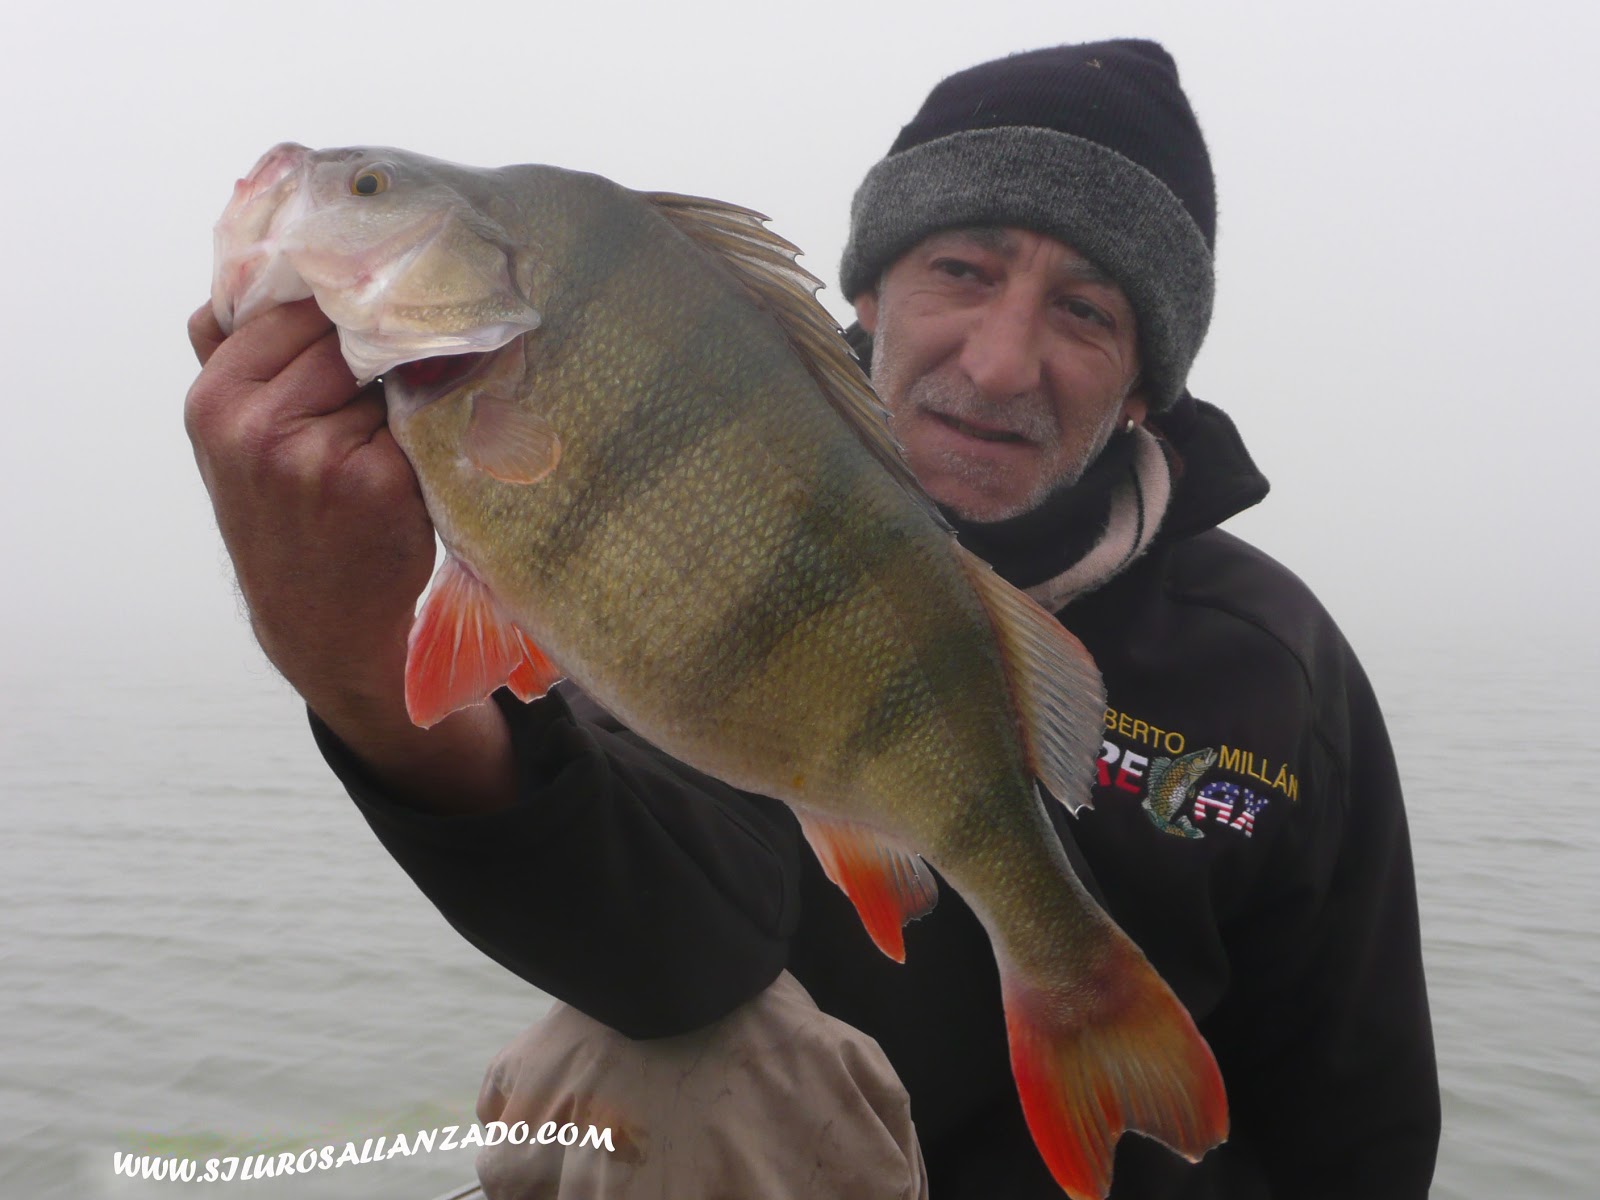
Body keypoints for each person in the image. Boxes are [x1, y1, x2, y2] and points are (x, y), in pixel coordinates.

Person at [185, 39, 1439, 1199]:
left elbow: (1358, 1111)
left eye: (1087, 312)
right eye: (962, 268)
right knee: (633, 1079)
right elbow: (664, 958)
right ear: (868, 301)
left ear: (1143, 393)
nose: (1000, 361)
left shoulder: (1275, 662)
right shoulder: (683, 526)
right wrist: (350, 666)